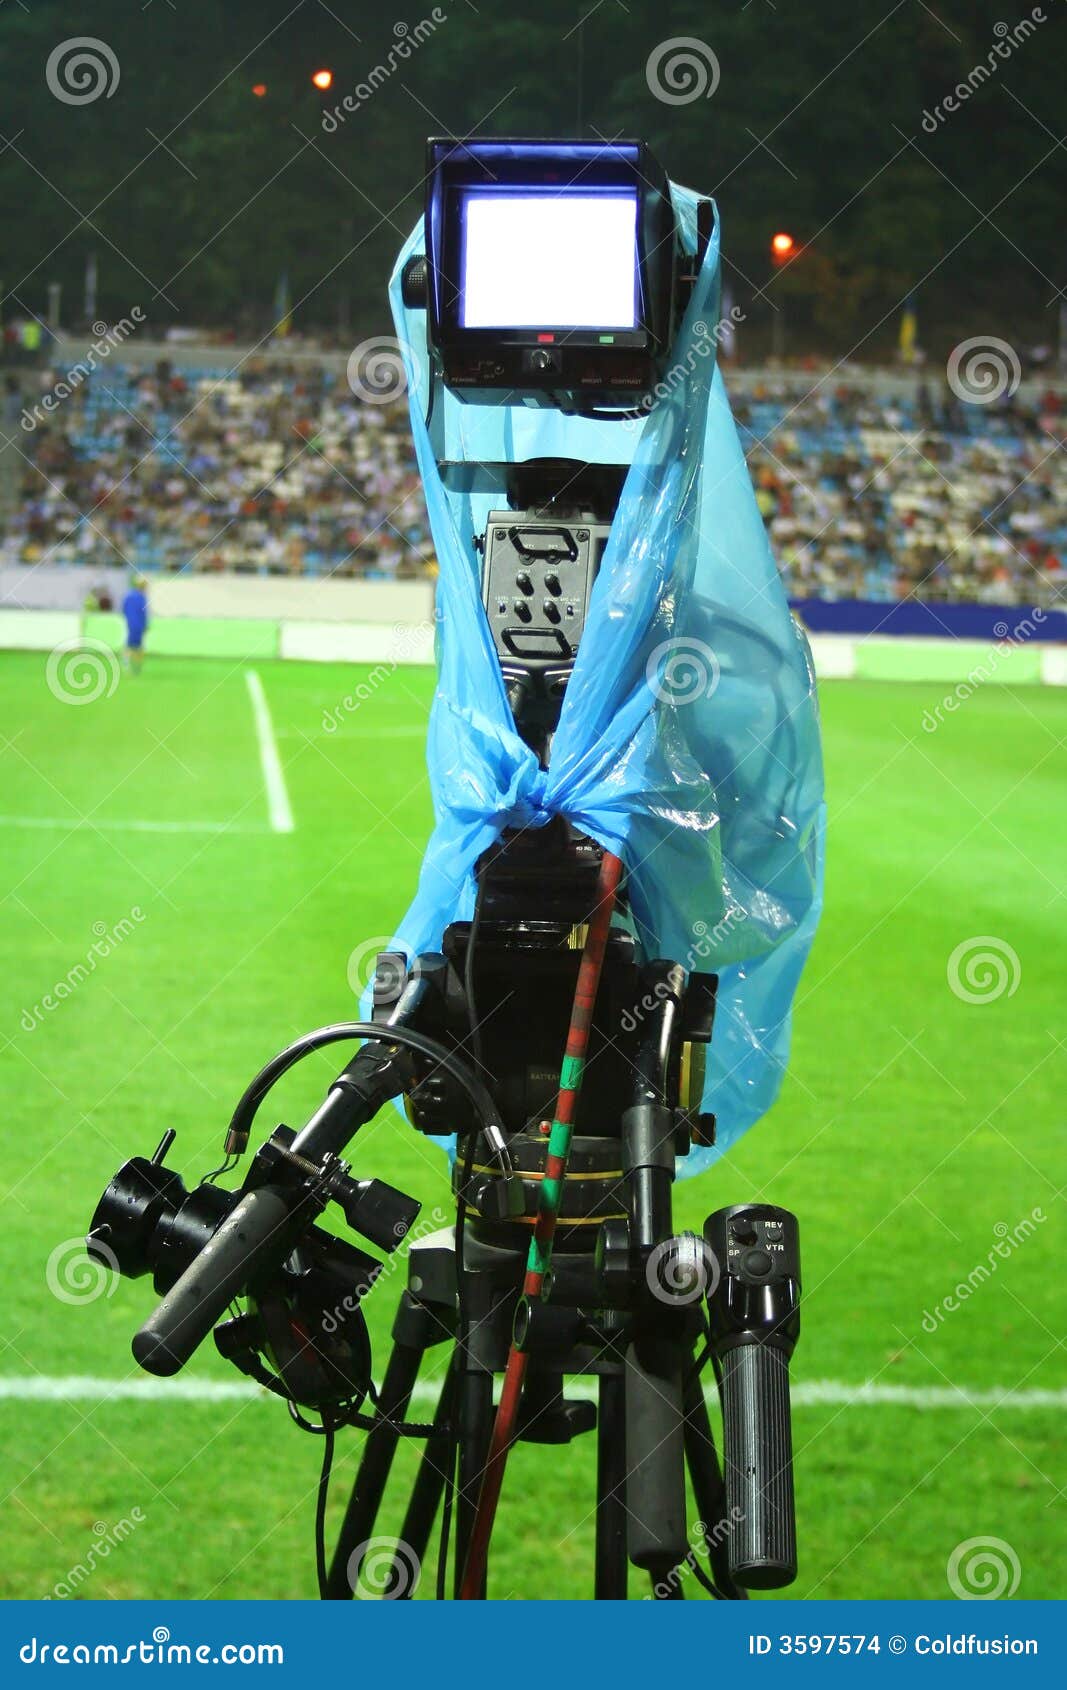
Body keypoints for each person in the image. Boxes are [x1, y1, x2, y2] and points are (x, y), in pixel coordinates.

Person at [122, 575, 149, 674]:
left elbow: (123, 609)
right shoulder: (142, 597)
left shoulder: (129, 596)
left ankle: (128, 666)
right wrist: (145, 625)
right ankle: (134, 667)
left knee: (130, 646)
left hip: (131, 624)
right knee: (137, 647)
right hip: (138, 625)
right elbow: (144, 613)